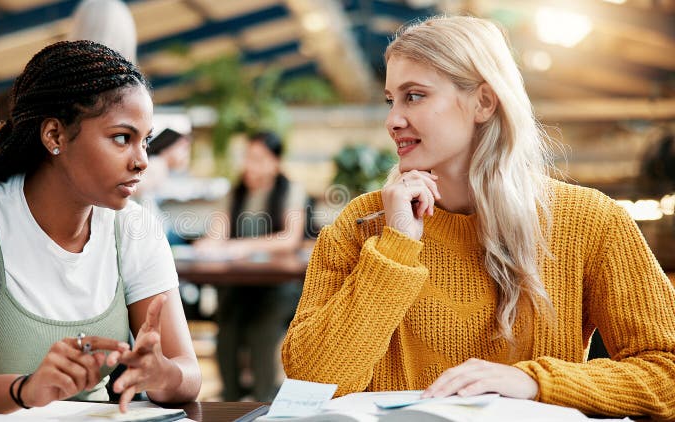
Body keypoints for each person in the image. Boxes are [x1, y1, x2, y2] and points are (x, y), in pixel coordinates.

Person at [281, 15, 675, 419]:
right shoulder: (362, 223)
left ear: (484, 102)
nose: (392, 120)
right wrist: (396, 248)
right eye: (390, 100)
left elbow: (667, 373)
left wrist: (535, 382)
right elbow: (310, 382)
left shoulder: (591, 221)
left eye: (414, 96)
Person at [0, 40, 200, 414]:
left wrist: (161, 374)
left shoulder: (135, 228)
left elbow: (188, 373)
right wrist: (24, 390)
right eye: (122, 138)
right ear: (55, 136)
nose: (142, 161)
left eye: (145, 141)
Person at [194, 132, 306, 401]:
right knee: (228, 326)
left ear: (275, 163)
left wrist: (243, 246)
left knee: (262, 328)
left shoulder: (290, 191)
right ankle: (230, 401)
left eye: (258, 159)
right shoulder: (235, 193)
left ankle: (264, 400)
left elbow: (289, 239)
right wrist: (207, 245)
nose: (249, 165)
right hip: (240, 285)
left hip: (279, 286)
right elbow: (216, 234)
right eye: (247, 157)